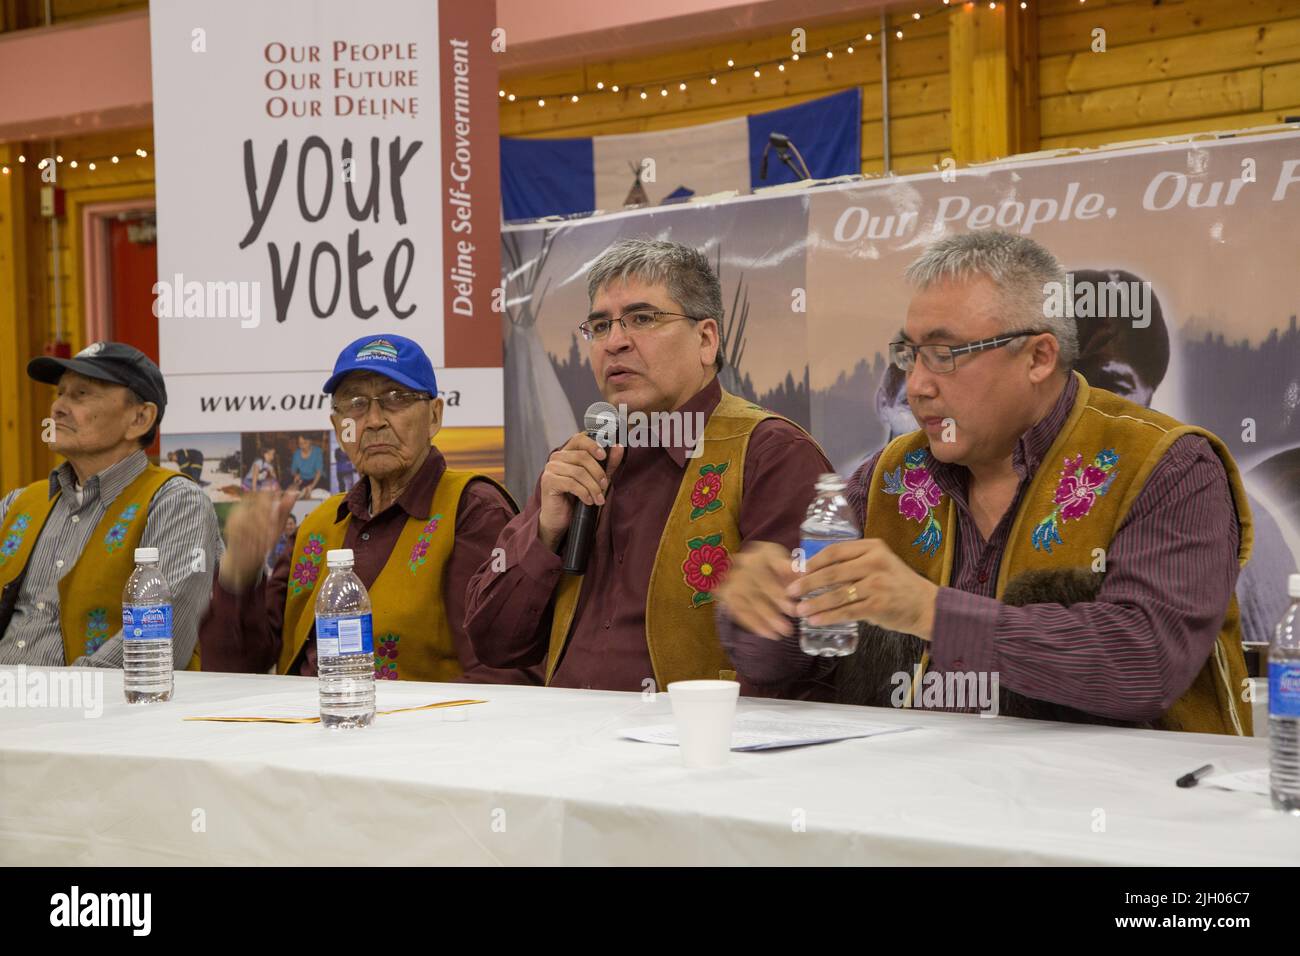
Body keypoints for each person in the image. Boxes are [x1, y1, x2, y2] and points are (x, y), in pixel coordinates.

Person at [715, 232, 1253, 735]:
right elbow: (791, 661)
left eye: (945, 355)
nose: (917, 386)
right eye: (909, 355)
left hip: (1129, 814)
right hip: (923, 798)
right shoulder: (890, 475)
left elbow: (1145, 661)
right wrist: (766, 610)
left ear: (1039, 357)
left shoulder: (1167, 464)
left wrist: (930, 611)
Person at [465, 238, 833, 695]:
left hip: (705, 751)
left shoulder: (770, 454)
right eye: (599, 326)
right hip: (568, 745)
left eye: (642, 319)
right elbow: (493, 644)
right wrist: (543, 533)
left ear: (706, 339)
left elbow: (814, 654)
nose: (615, 342)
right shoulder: (577, 462)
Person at [200, 334, 539, 684]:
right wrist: (238, 576)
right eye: (356, 404)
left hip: (420, 734)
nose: (373, 420)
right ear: (338, 427)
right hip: (307, 728)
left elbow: (501, 675)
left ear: (434, 416)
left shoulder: (471, 510)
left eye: (396, 399)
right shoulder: (318, 524)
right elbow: (234, 672)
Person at [0, 342, 221, 668]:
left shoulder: (176, 503)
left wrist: (59, 698)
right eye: (60, 393)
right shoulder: (19, 504)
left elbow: (160, 635)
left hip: (99, 713)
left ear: (140, 418)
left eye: (81, 394)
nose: (58, 407)